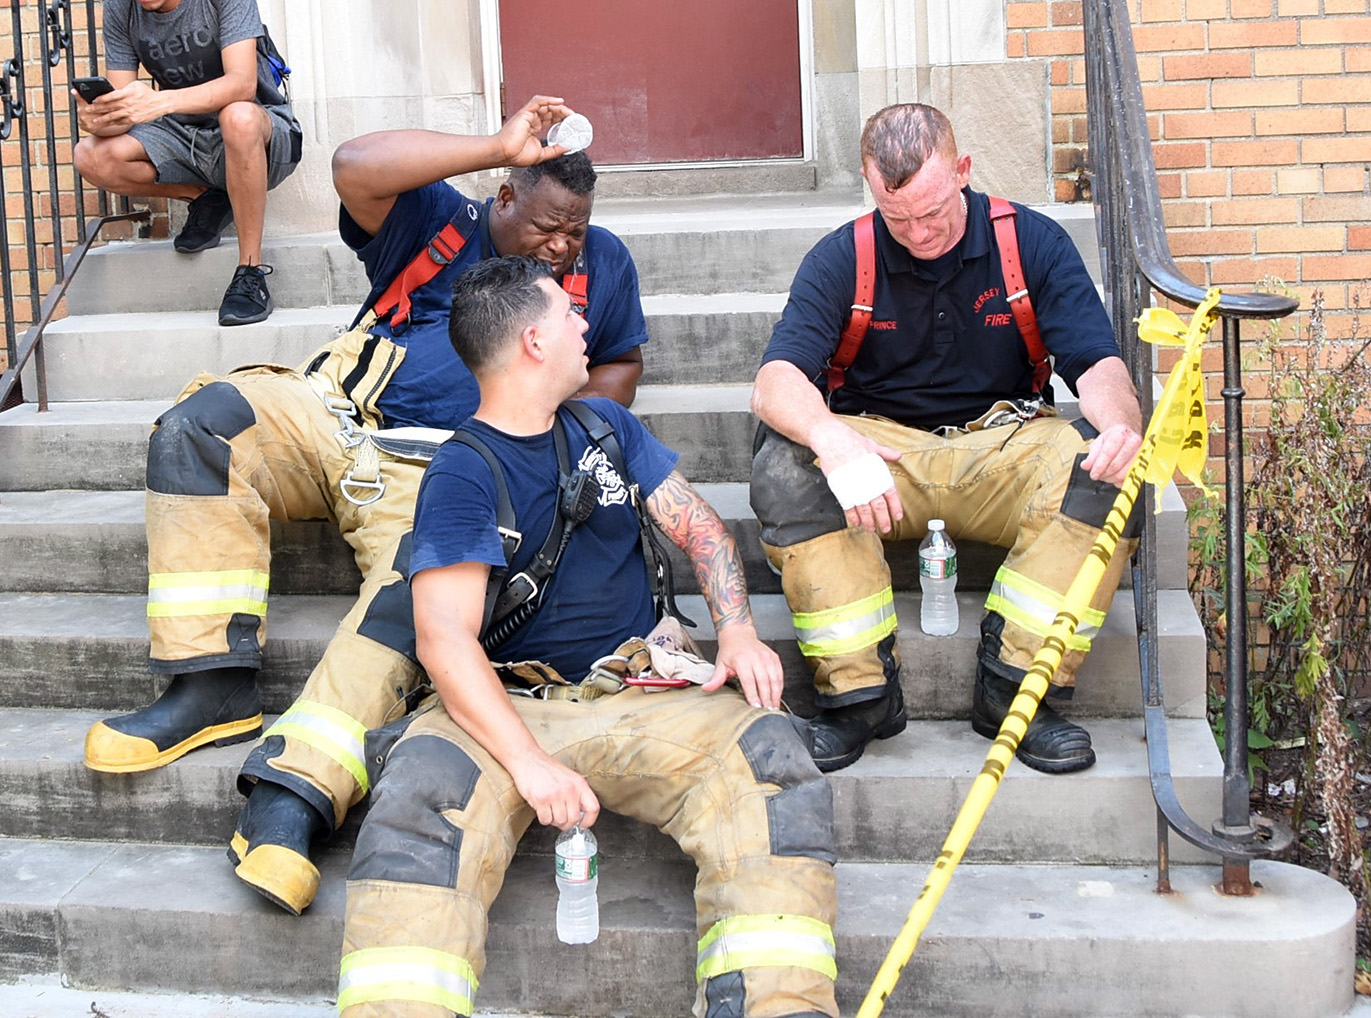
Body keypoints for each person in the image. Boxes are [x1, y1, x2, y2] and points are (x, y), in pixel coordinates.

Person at [81, 96, 651, 917]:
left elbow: (620, 367)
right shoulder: (438, 218)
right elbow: (351, 166)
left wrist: (549, 435)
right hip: (337, 416)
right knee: (202, 425)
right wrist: (494, 142)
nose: (563, 246)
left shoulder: (602, 264)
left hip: (448, 471)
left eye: (576, 228)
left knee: (425, 586)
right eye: (548, 226)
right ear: (503, 197)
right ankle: (209, 684)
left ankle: (294, 793)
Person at [336, 255, 838, 1018]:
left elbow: (696, 525)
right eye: (569, 313)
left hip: (643, 691)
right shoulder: (462, 474)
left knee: (770, 768)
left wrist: (736, 630)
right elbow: (444, 643)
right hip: (509, 708)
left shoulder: (608, 425)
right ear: (534, 341)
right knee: (415, 809)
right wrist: (530, 763)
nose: (584, 323)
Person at [749, 102, 1143, 775]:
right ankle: (858, 697)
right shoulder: (844, 257)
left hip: (1003, 443)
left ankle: (1016, 690)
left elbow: (1098, 364)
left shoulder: (1033, 244)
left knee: (1105, 473)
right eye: (896, 217)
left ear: (962, 170)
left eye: (931, 213)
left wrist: (1120, 426)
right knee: (787, 463)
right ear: (872, 191)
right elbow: (774, 382)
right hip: (883, 459)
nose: (918, 233)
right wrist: (830, 438)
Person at [73, 0, 303, 326]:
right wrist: (97, 119)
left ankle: (250, 272)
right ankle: (205, 197)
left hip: (259, 132)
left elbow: (242, 84)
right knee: (91, 156)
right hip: (186, 135)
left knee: (237, 116)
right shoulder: (121, 7)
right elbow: (123, 115)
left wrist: (160, 101)